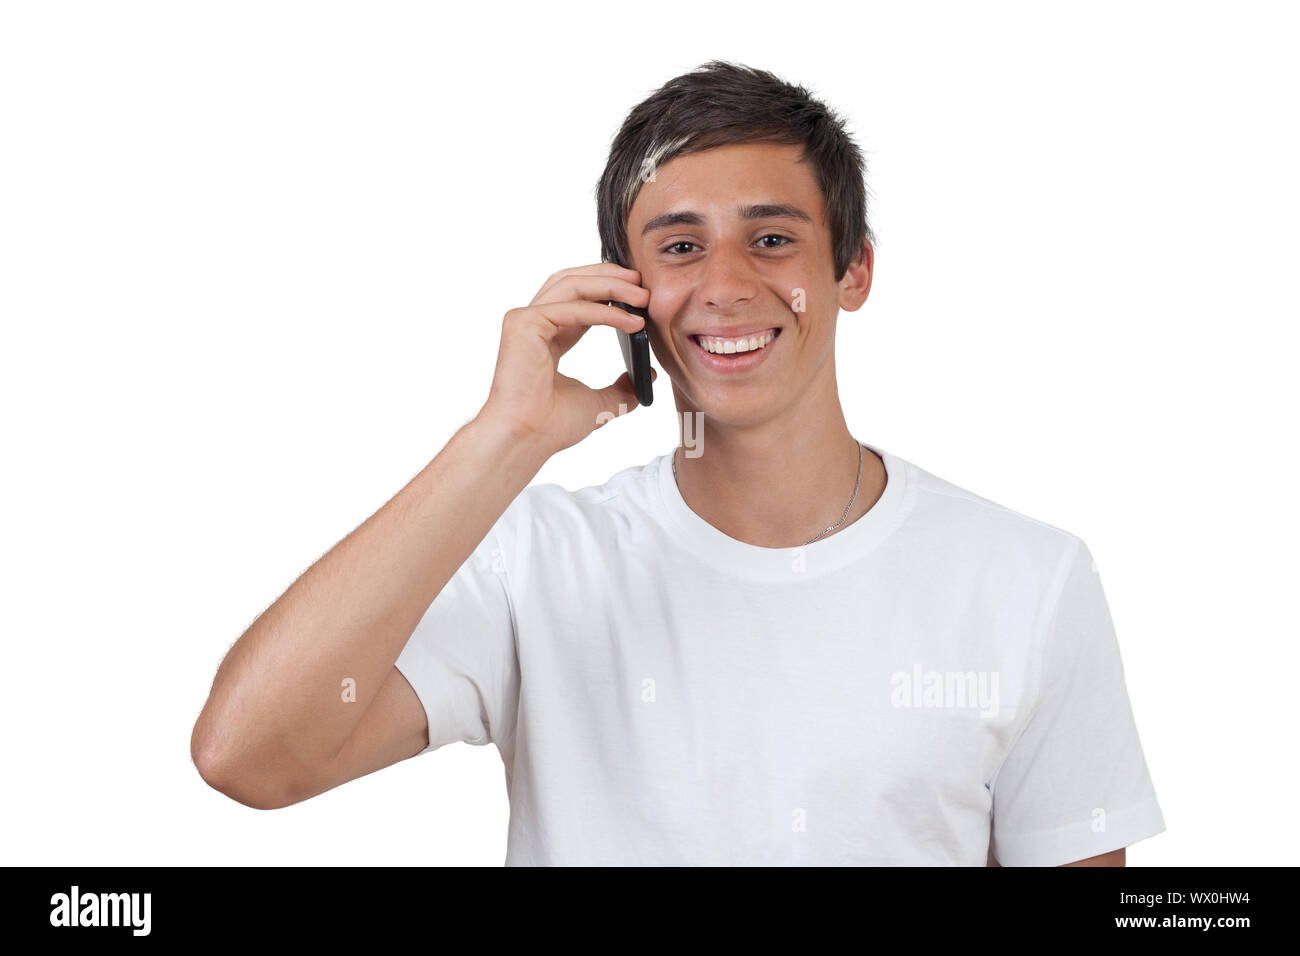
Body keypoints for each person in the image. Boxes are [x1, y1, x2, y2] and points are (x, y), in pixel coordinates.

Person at [191, 60, 1166, 866]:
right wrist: (501, 437)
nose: (727, 285)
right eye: (680, 245)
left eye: (772, 238)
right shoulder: (538, 562)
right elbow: (248, 755)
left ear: (852, 268)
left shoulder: (1025, 576)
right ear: (625, 286)